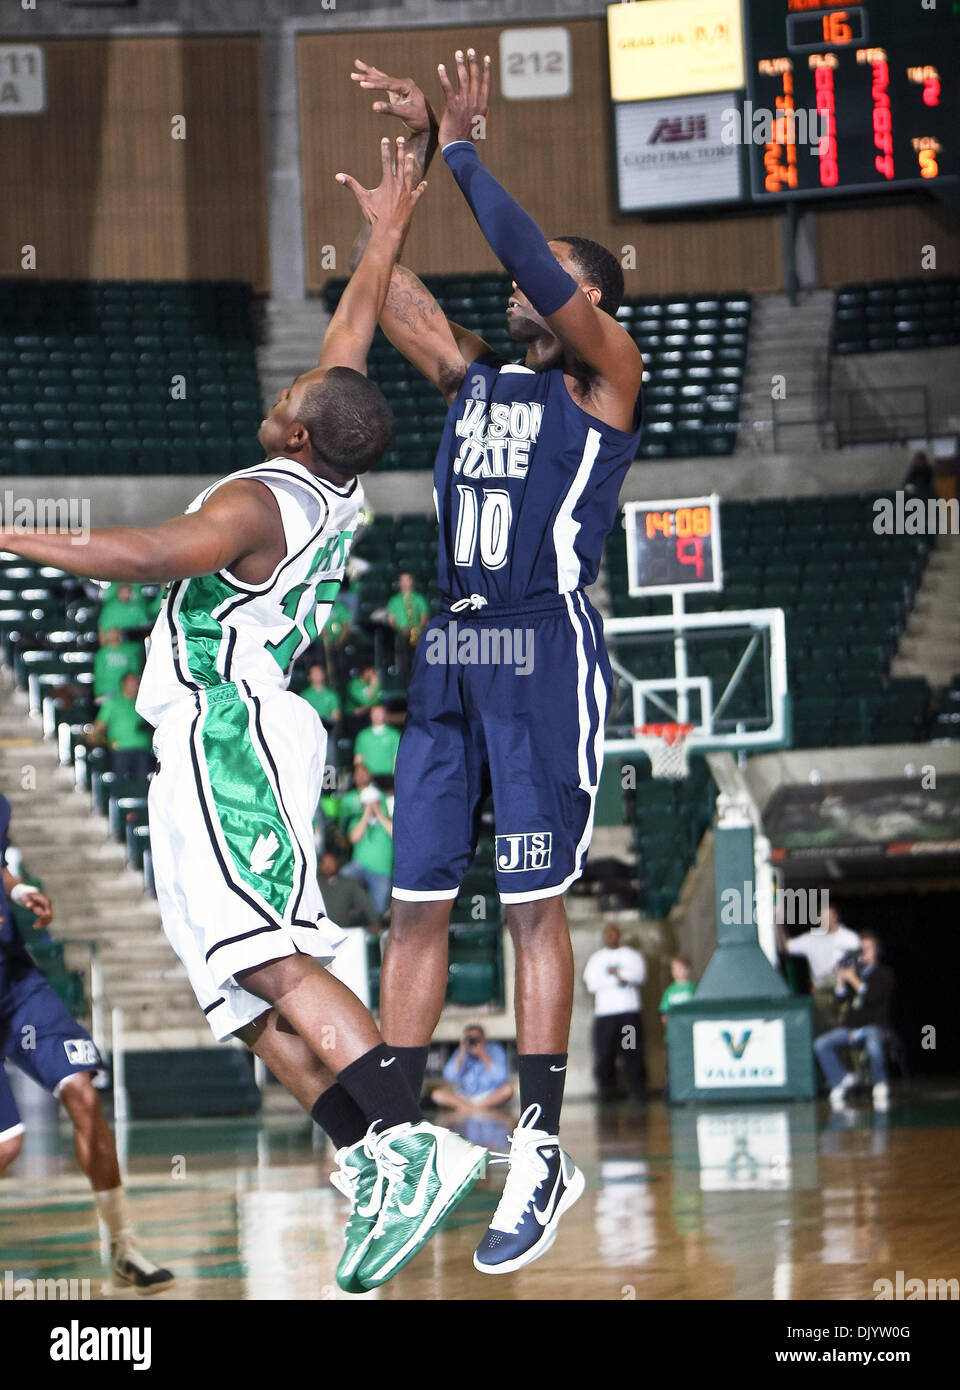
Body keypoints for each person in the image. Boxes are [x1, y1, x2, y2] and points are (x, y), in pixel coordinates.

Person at [0, 138, 488, 1296]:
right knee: (242, 1000)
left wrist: (10, 530)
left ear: (303, 435)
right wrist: (386, 229)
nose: (278, 397)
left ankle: (411, 1140)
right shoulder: (330, 467)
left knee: (271, 961)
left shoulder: (258, 495)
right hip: (225, 736)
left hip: (230, 724)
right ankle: (373, 1149)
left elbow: (141, 555)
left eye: (287, 401)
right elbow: (353, 338)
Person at [349, 50, 644, 1274]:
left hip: (539, 648)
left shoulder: (607, 377)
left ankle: (537, 1146)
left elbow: (532, 263)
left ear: (584, 301)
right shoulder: (476, 383)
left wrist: (465, 149)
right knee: (416, 906)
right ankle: (396, 1140)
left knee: (531, 904)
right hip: (452, 653)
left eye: (554, 278)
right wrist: (401, 194)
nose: (529, 285)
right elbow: (394, 298)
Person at [0, 793, 173, 1291]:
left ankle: (124, 1248)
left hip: (16, 982)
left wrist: (18, 892)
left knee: (81, 1090)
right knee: (8, 1145)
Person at [813, 932, 895, 1111]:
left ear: (877, 951)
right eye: (862, 948)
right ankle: (841, 1080)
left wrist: (852, 979)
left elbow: (871, 997)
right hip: (852, 1028)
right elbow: (841, 1000)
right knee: (821, 1044)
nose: (864, 951)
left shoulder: (884, 974)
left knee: (873, 1041)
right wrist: (841, 980)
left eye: (869, 948)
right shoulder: (856, 973)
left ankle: (879, 1082)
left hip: (875, 1026)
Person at [583, 924, 648, 1103]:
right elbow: (591, 984)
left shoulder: (631, 956)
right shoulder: (596, 959)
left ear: (619, 935)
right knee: (605, 1054)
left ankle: (638, 1090)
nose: (611, 937)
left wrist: (618, 975)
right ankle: (607, 1092)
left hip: (628, 1014)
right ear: (605, 937)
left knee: (631, 1051)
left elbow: (639, 975)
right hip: (605, 1015)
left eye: (614, 933)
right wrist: (616, 977)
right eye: (608, 934)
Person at [779, 901, 860, 1029]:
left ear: (835, 916)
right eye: (822, 917)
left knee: (848, 1028)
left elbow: (860, 965)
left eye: (828, 916)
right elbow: (784, 947)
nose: (825, 920)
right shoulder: (811, 938)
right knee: (823, 1030)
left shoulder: (850, 938)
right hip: (821, 993)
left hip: (845, 991)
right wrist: (779, 923)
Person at [339, 763, 395, 917]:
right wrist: (365, 815)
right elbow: (354, 838)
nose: (371, 805)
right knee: (340, 879)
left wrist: (378, 812)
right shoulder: (357, 820)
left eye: (374, 802)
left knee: (378, 909)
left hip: (381, 870)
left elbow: (396, 835)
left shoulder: (387, 821)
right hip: (359, 866)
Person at [89, 671, 155, 781]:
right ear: (123, 684)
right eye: (132, 683)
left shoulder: (144, 703)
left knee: (142, 784)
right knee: (120, 782)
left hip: (142, 749)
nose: (135, 686)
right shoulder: (112, 702)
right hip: (120, 749)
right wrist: (93, 736)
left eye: (137, 683)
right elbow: (100, 724)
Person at [433, 1025, 513, 1111]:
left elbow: (501, 1077)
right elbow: (448, 1077)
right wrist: (462, 1052)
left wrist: (482, 1054)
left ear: (484, 1039)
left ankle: (470, 1108)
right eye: (470, 1038)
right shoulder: (461, 1051)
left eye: (477, 1038)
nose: (473, 1041)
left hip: (488, 1096)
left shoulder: (495, 1049)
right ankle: (475, 1109)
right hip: (464, 1097)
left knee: (508, 1090)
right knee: (437, 1094)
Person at [659, 953, 696, 1100]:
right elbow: (664, 1014)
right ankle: (671, 1090)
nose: (677, 972)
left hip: (689, 1036)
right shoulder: (670, 991)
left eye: (681, 968)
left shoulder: (693, 988)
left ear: (687, 969)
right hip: (673, 1037)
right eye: (674, 969)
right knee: (672, 1064)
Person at [318, 850, 381, 930]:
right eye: (325, 863)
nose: (328, 866)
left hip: (344, 930)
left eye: (331, 862)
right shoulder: (315, 882)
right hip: (319, 930)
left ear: (337, 863)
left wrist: (375, 921)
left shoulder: (349, 883)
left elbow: (364, 902)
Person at [387, 571, 430, 681]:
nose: (405, 583)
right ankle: (403, 676)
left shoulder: (419, 598)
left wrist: (417, 629)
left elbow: (424, 617)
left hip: (417, 634)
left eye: (408, 580)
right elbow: (391, 620)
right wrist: (400, 629)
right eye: (403, 580)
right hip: (401, 635)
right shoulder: (394, 601)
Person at [93, 627, 144, 701]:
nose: (113, 633)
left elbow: (135, 671)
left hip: (129, 692)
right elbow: (99, 675)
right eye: (109, 631)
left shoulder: (130, 649)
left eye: (115, 630)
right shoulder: (101, 654)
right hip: (108, 694)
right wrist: (98, 694)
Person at [353, 702, 401, 779]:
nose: (377, 716)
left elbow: (396, 759)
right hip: (368, 779)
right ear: (370, 715)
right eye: (374, 713)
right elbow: (358, 760)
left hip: (388, 777)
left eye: (379, 713)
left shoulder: (394, 735)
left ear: (385, 715)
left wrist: (394, 778)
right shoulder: (362, 735)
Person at [300, 662, 342, 733]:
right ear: (309, 676)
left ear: (323, 675)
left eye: (318, 673)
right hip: (309, 731)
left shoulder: (331, 694)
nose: (316, 675)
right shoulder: (304, 695)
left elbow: (336, 716)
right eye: (314, 673)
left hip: (327, 731)